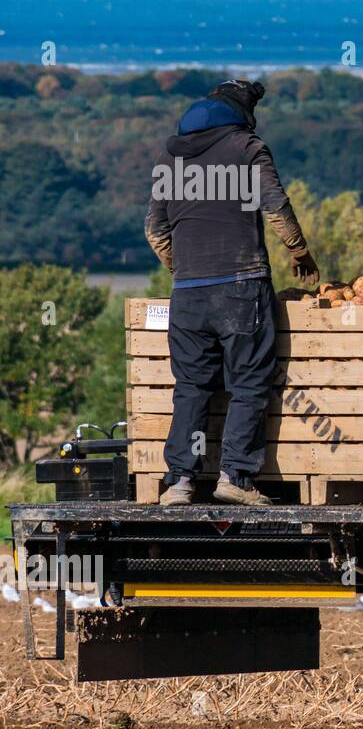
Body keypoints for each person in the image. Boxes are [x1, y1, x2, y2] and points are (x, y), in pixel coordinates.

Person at [144, 79, 319, 506]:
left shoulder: (171, 155)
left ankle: (180, 482)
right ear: (242, 114)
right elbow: (275, 206)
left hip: (187, 294)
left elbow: (154, 230)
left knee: (191, 386)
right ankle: (235, 479)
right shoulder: (246, 147)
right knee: (249, 383)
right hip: (241, 288)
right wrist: (299, 251)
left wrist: (180, 267)